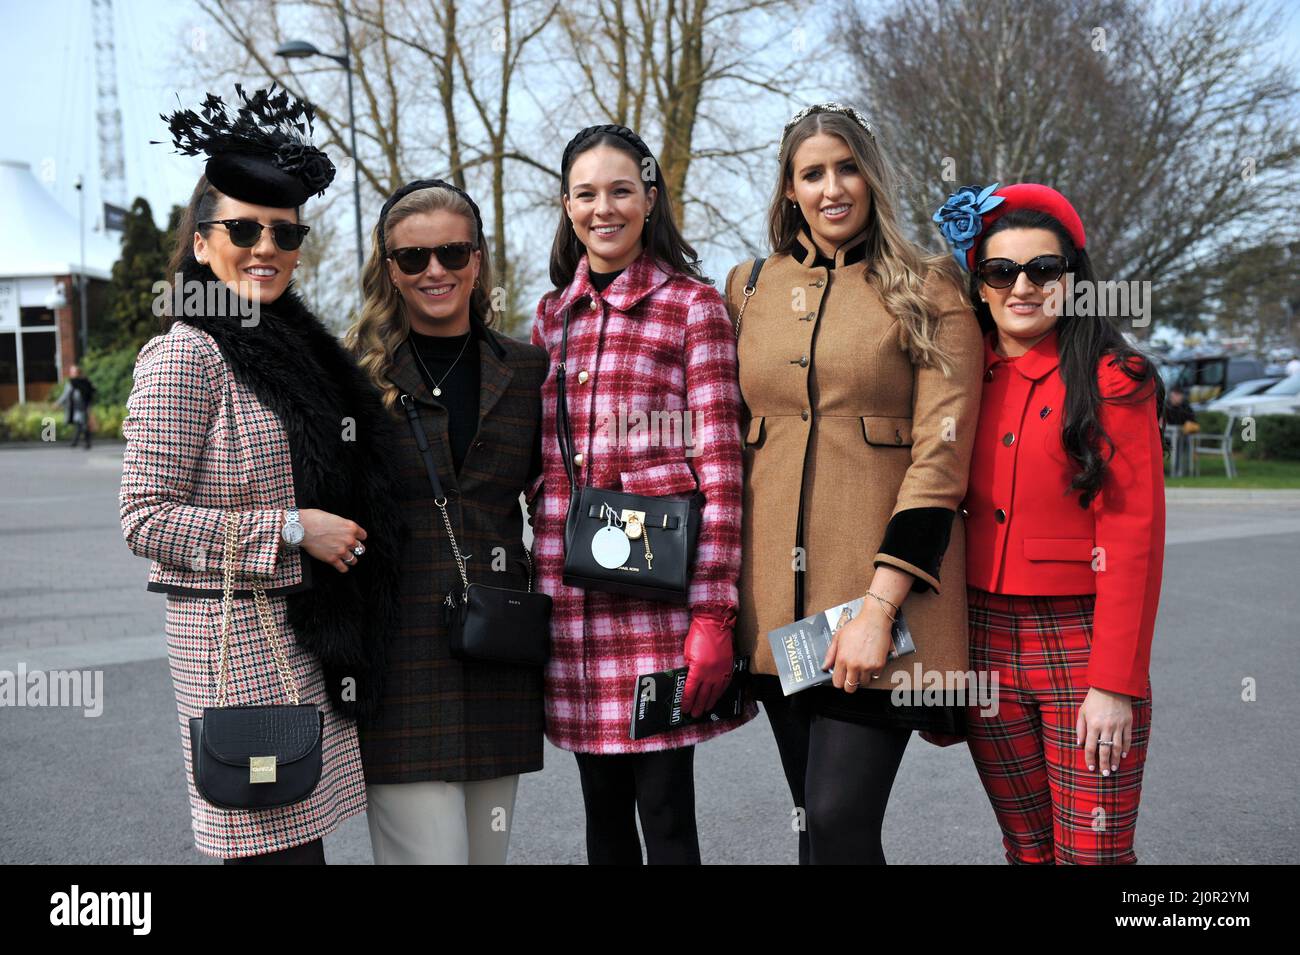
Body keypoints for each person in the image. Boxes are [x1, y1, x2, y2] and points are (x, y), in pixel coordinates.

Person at [120, 85, 402, 864]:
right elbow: (144, 517)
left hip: (298, 642)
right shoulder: (187, 352)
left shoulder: (293, 348)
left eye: (284, 231)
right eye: (242, 228)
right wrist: (289, 528)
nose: (265, 246)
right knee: (273, 850)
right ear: (203, 241)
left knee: (295, 846)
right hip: (236, 653)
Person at [723, 103, 983, 864]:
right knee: (814, 823)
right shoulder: (748, 288)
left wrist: (877, 607)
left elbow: (941, 460)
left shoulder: (930, 286)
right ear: (789, 189)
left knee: (839, 822)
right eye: (812, 173)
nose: (832, 188)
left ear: (870, 176)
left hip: (885, 613)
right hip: (779, 616)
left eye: (846, 168)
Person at [530, 124, 754, 865]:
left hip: (658, 603)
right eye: (587, 193)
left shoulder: (693, 307)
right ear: (566, 205)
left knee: (665, 814)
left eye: (622, 190)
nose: (605, 207)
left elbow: (721, 464)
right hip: (575, 610)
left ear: (650, 198)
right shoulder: (549, 317)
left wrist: (713, 612)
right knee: (601, 816)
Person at [935, 181, 1165, 864]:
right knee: (1028, 849)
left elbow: (1134, 543)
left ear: (1074, 281)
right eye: (1001, 271)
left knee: (1093, 855)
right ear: (979, 285)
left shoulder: (1114, 379)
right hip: (983, 640)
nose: (1022, 286)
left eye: (1044, 269)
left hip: (1082, 641)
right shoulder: (958, 376)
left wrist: (1115, 682)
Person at [346, 179, 548, 865]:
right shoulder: (356, 377)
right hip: (399, 656)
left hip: (498, 647)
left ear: (479, 260)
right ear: (390, 272)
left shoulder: (525, 370)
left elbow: (554, 498)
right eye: (412, 258)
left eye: (451, 252)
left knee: (487, 857)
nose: (435, 270)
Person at [58, 365, 96, 449]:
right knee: (80, 424)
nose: (71, 374)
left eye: (73, 372)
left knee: (83, 424)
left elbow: (91, 392)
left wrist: (58, 403)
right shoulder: (76, 382)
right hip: (75, 407)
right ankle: (78, 442)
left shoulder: (80, 382)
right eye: (71, 372)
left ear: (78, 373)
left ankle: (85, 442)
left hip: (83, 406)